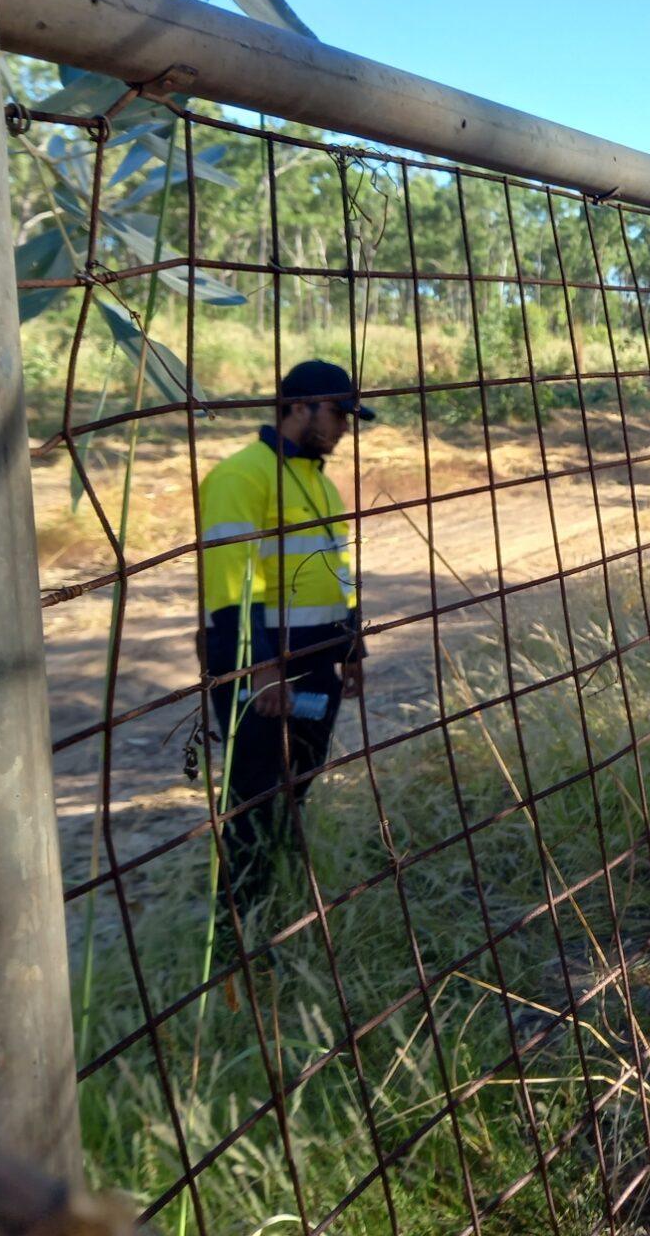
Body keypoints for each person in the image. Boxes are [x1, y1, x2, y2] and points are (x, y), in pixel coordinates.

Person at [198, 359, 372, 909]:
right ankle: (237, 932)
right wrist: (261, 669)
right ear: (299, 407)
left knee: (296, 787)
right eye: (339, 414)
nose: (346, 428)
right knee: (255, 798)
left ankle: (279, 905)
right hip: (265, 667)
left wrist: (352, 651)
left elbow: (335, 573)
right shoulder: (240, 477)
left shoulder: (318, 482)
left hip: (317, 661)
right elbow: (229, 588)